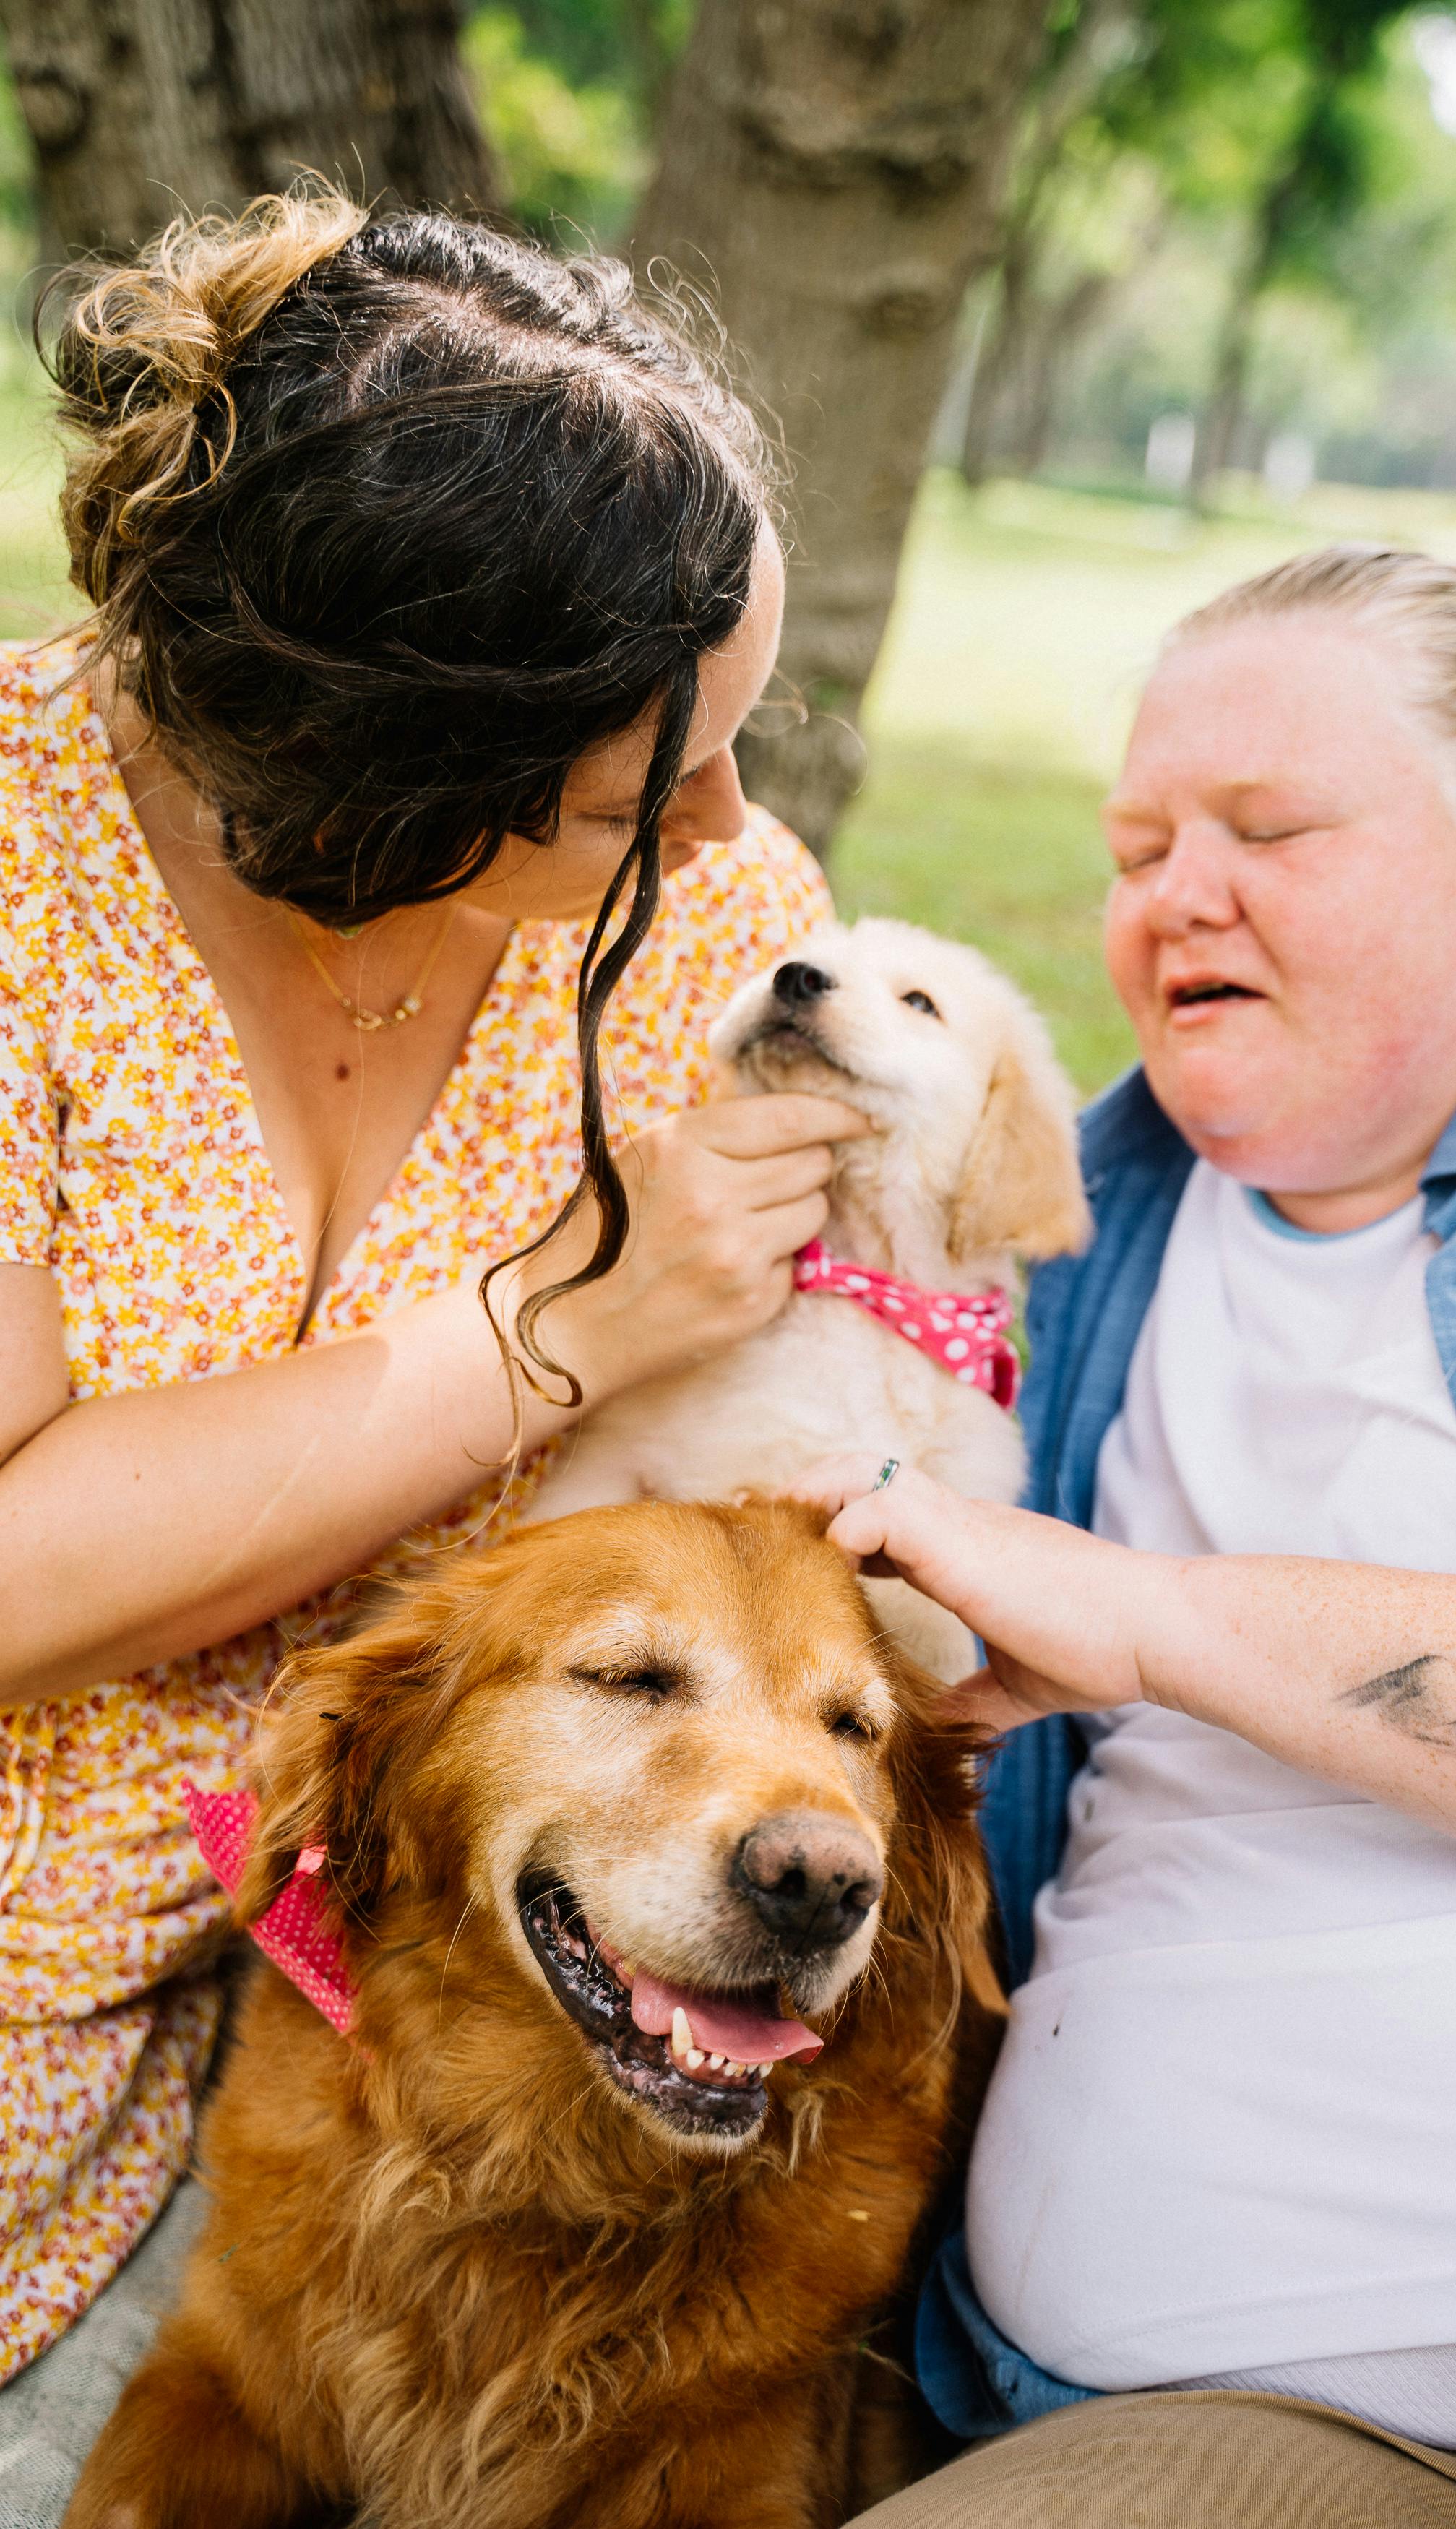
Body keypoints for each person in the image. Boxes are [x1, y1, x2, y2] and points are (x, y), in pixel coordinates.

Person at [0, 186, 866, 2518]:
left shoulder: (711, 928)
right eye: (635, 790)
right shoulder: (11, 861)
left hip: (356, 2013)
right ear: (384, 781)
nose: (728, 829)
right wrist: (561, 1335)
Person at [803, 548, 1456, 2528]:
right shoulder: (1075, 1227)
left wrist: (1159, 1618)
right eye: (1137, 848)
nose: (1174, 894)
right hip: (1104, 2370)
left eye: (1270, 828)